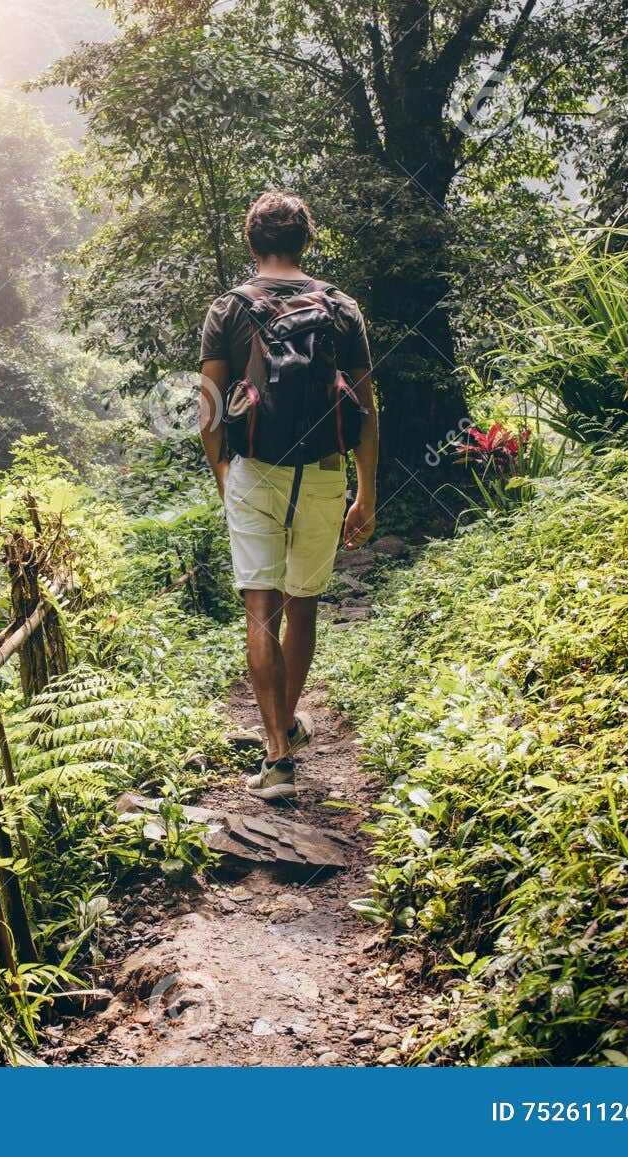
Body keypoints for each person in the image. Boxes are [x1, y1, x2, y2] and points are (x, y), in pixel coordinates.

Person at [198, 191, 379, 801]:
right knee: (303, 606)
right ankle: (286, 729)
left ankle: (277, 750)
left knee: (260, 609)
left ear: (251, 241)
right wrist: (366, 492)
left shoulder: (228, 308)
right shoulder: (342, 307)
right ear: (306, 240)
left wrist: (224, 474)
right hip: (324, 471)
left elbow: (209, 408)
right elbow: (366, 408)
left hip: (253, 469)